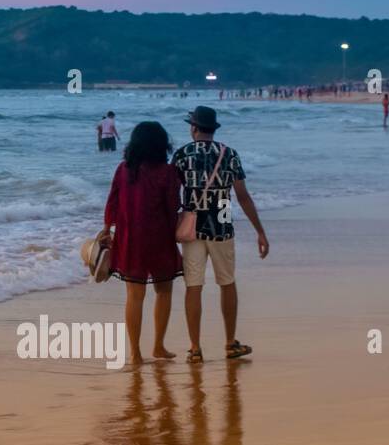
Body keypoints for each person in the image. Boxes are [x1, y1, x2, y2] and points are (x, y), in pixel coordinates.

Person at [173, 106, 269, 363]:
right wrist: (260, 231)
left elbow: (171, 194)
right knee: (226, 282)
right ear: (212, 129)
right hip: (222, 224)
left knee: (193, 286)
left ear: (193, 128)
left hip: (191, 227)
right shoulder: (229, 154)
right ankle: (230, 343)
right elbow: (242, 196)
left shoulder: (182, 154)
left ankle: (195, 348)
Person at [101, 121, 182, 364]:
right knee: (164, 291)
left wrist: (107, 229)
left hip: (130, 239)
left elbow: (112, 201)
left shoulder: (124, 169)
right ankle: (158, 345)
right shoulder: (168, 172)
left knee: (134, 296)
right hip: (159, 236)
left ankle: (135, 353)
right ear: (161, 145)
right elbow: (172, 206)